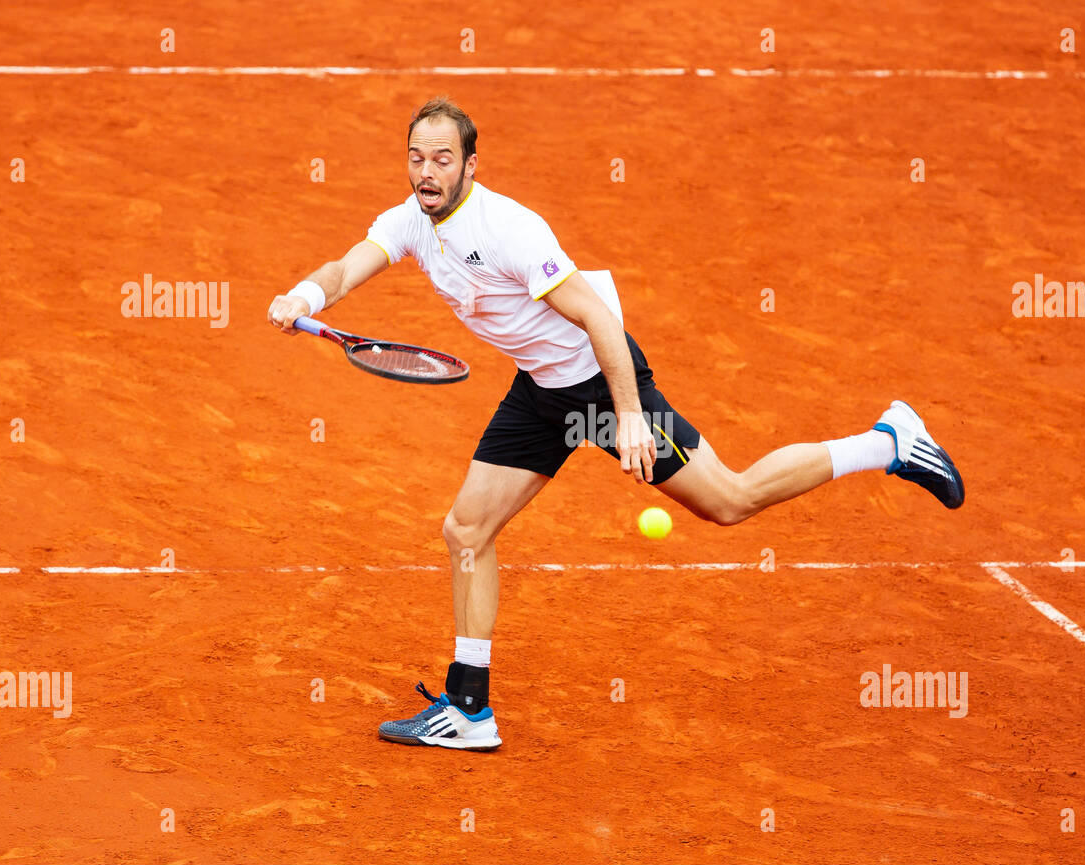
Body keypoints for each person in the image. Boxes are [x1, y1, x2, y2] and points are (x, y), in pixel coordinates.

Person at [267, 97, 964, 751]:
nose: (426, 172)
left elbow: (598, 315)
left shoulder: (508, 229)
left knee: (731, 499)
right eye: (416, 157)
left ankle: (887, 443)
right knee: (467, 530)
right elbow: (345, 267)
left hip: (600, 385)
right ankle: (470, 709)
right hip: (540, 392)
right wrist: (304, 292)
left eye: (442, 159)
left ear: (471, 166)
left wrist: (627, 418)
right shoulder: (408, 223)